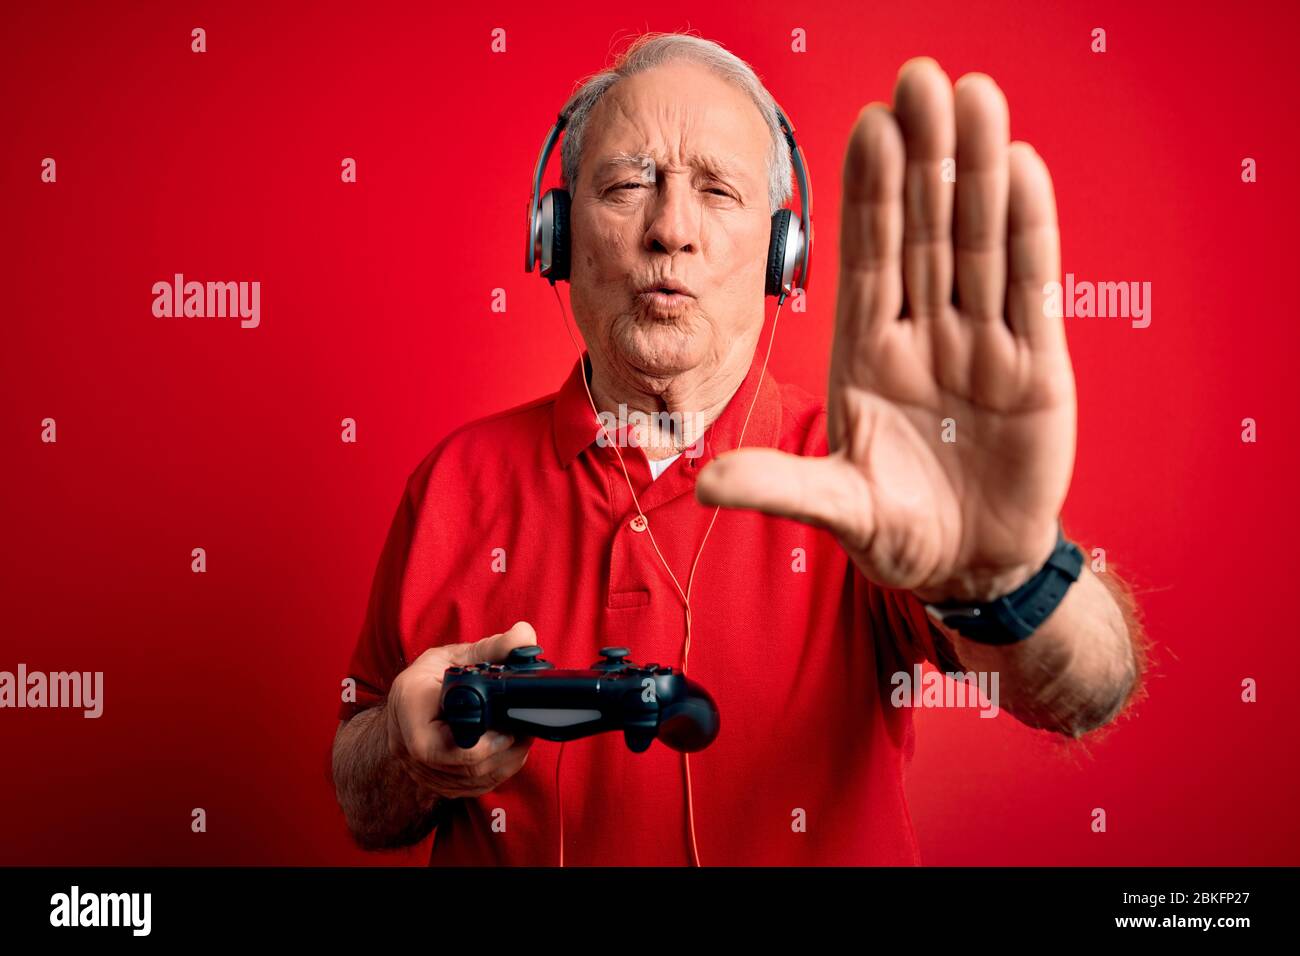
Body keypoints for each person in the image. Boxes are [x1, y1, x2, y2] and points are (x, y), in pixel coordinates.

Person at [331, 32, 1146, 866]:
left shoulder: (865, 477)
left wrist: (1010, 581)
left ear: (781, 254)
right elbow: (364, 802)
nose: (671, 229)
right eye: (625, 185)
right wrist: (402, 750)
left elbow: (1085, 690)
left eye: (718, 190)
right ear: (558, 235)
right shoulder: (451, 483)